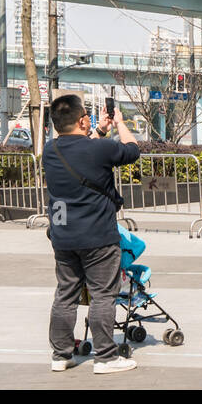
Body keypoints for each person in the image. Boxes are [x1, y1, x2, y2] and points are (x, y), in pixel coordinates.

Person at [44, 93, 141, 374]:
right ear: (82, 119)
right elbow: (132, 150)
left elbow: (82, 150)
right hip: (98, 236)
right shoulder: (100, 150)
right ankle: (106, 358)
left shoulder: (51, 151)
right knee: (102, 296)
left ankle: (61, 355)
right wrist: (120, 123)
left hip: (63, 237)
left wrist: (99, 130)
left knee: (65, 295)